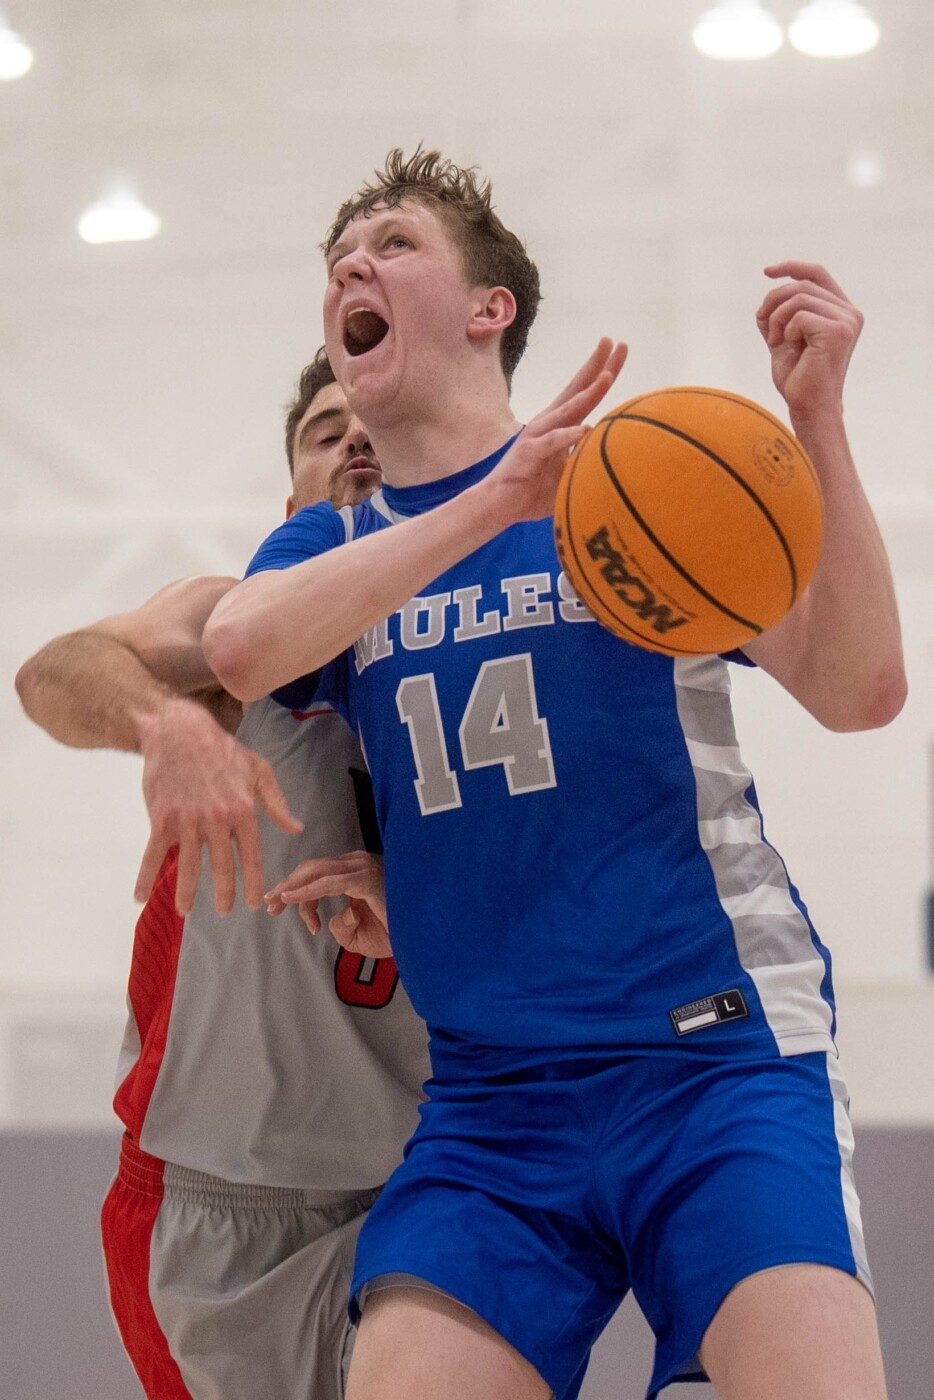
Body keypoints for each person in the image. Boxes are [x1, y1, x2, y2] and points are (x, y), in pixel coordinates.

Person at [202, 150, 906, 1400]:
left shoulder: (627, 483)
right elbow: (240, 647)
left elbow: (860, 690)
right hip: (493, 1100)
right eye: (340, 257)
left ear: (492, 308)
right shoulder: (335, 541)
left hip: (713, 1057)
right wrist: (489, 502)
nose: (352, 264)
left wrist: (817, 423)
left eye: (394, 242)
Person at [14, 349, 431, 1400]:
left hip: (438, 1170)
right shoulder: (238, 629)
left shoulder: (496, 647)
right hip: (234, 1199)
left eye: (377, 425)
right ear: (291, 502)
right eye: (325, 431)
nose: (355, 439)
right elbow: (54, 670)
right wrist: (168, 724)